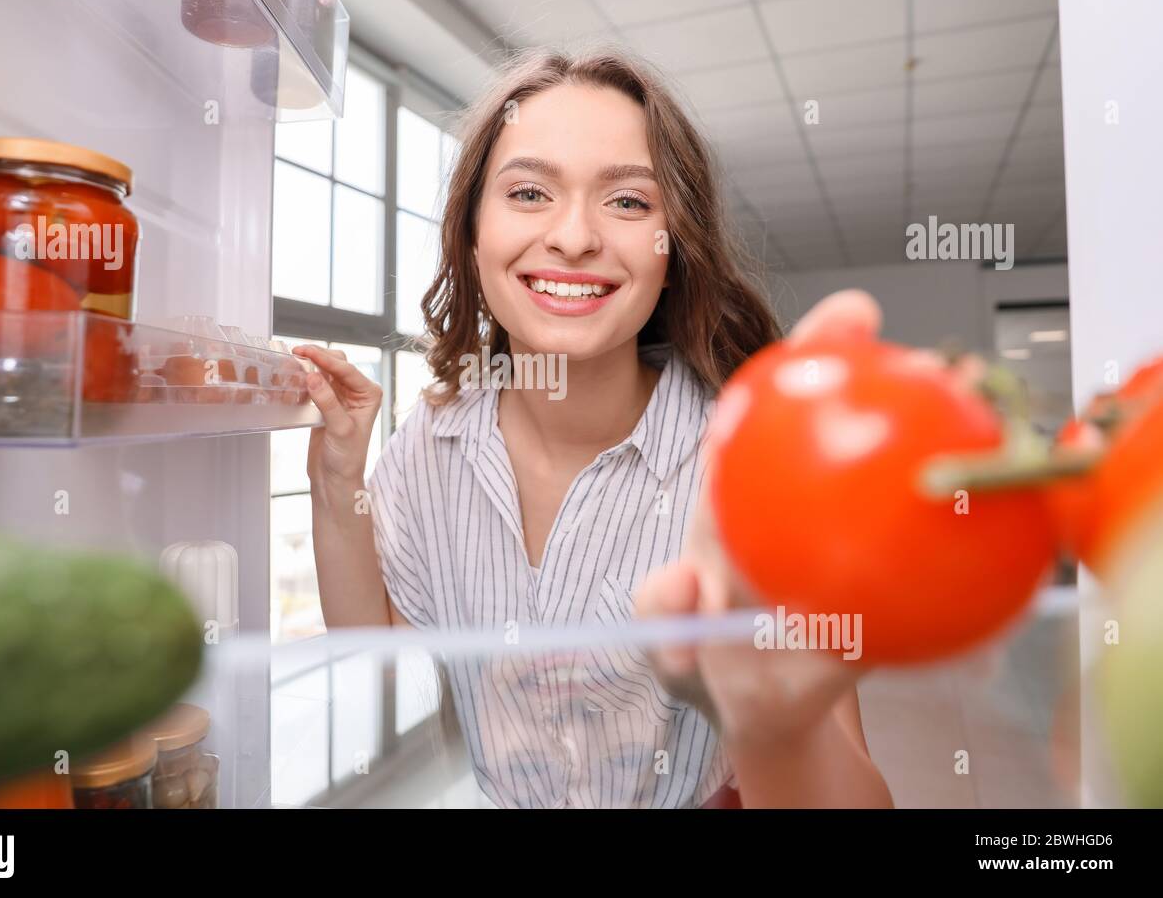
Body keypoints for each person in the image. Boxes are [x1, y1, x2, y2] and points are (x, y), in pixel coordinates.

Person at [297, 46, 892, 807]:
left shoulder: (755, 466)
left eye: (628, 202)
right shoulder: (431, 445)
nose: (574, 236)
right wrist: (336, 478)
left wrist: (767, 697)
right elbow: (377, 659)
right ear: (473, 234)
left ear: (673, 251)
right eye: (529, 192)